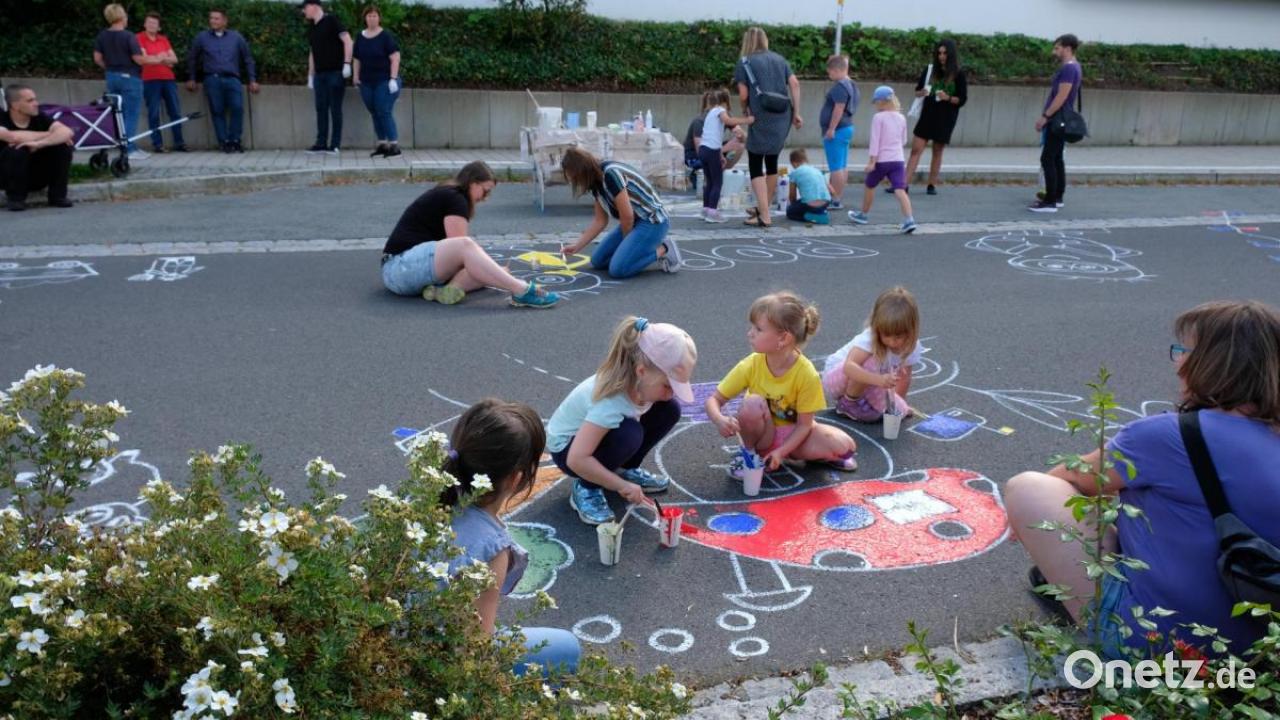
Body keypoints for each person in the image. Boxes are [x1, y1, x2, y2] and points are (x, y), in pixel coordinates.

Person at [1005, 300, 1280, 658]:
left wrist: (1028, 527)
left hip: (1161, 644)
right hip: (1263, 647)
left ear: (1208, 364)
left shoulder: (1171, 436)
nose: (1177, 362)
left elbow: (1074, 478)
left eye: (1183, 351)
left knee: (1028, 489)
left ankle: (1087, 602)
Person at [441, 398, 582, 676]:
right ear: (516, 479)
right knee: (567, 649)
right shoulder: (492, 548)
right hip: (433, 662)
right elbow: (474, 648)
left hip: (388, 645)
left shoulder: (424, 499)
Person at [547, 317, 696, 525]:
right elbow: (576, 459)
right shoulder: (610, 402)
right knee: (629, 434)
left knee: (669, 409)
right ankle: (587, 486)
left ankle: (624, 469)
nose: (671, 393)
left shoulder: (642, 383)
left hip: (590, 441)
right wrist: (621, 486)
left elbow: (661, 403)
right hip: (567, 449)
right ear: (641, 371)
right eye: (667, 386)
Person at [705, 291, 859, 482]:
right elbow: (714, 399)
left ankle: (804, 456)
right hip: (764, 436)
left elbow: (804, 425)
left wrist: (782, 451)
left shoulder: (806, 374)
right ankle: (751, 456)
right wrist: (719, 419)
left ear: (783, 339)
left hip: (794, 436)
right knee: (752, 403)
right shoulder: (751, 364)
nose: (750, 333)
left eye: (758, 329)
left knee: (845, 446)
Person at [382, 161, 559, 308]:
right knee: (468, 248)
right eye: (485, 190)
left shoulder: (448, 193)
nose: (485, 197)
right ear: (473, 183)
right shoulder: (456, 198)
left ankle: (444, 291)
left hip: (406, 273)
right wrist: (493, 271)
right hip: (399, 268)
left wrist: (492, 271)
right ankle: (521, 289)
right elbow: (459, 246)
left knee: (487, 269)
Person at [559, 146, 680, 278]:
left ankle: (664, 249)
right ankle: (634, 252)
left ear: (581, 171)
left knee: (618, 270)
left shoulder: (610, 175)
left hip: (653, 222)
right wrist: (577, 246)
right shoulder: (595, 182)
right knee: (598, 261)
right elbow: (600, 221)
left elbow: (627, 217)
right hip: (635, 222)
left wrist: (625, 244)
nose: (574, 182)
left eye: (574, 178)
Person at [733, 26, 802, 228]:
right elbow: (795, 84)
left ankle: (764, 215)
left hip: (760, 116)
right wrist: (796, 112)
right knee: (772, 161)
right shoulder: (780, 59)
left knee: (755, 162)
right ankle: (764, 208)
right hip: (783, 116)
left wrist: (745, 110)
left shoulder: (744, 62)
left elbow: (744, 95)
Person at [822, 286, 923, 422]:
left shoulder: (912, 346)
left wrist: (897, 405)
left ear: (911, 330)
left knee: (900, 411)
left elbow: (904, 377)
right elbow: (849, 367)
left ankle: (860, 400)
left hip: (870, 381)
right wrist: (879, 380)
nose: (892, 342)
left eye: (898, 336)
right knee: (873, 361)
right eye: (886, 335)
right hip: (836, 379)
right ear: (877, 327)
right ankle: (848, 403)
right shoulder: (870, 338)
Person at [186, 9, 260, 153]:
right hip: (212, 79)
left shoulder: (236, 37)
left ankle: (235, 141)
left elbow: (248, 59)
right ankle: (224, 142)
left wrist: (252, 79)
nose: (213, 21)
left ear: (225, 21)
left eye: (216, 18)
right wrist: (191, 78)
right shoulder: (202, 37)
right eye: (211, 18)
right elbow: (192, 58)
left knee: (237, 108)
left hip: (233, 79)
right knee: (217, 111)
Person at [900, 39, 967, 196]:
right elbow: (917, 91)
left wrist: (947, 98)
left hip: (946, 117)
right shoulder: (930, 70)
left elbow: (962, 99)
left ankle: (931, 184)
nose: (941, 56)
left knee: (937, 150)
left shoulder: (958, 74)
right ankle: (904, 184)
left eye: (945, 53)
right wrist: (922, 92)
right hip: (928, 114)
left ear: (951, 54)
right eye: (939, 53)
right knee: (916, 149)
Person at [848, 86, 917, 234]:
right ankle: (909, 219)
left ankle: (863, 215)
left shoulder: (878, 118)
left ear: (882, 101)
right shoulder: (901, 118)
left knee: (870, 185)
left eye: (876, 102)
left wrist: (872, 162)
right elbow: (904, 140)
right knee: (900, 189)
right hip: (898, 160)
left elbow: (875, 141)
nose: (875, 105)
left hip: (881, 160)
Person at [0, 85, 75, 212]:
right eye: (30, 101)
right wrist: (50, 134)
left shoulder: (40, 117)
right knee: (17, 150)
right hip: (7, 178)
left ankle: (58, 196)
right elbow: (12, 137)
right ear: (15, 105)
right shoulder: (2, 118)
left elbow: (67, 132)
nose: (36, 104)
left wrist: (40, 144)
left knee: (63, 146)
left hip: (37, 175)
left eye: (35, 99)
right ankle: (16, 199)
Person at [1030, 33, 1082, 213]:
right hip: (1061, 118)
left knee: (1048, 158)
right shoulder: (1075, 66)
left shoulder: (1069, 68)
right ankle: (1058, 196)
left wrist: (1045, 116)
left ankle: (1050, 201)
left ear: (1068, 48)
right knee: (1057, 157)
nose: (1054, 51)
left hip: (1057, 118)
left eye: (1057, 48)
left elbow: (1061, 96)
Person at [93, 3, 151, 159]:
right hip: (130, 78)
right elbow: (138, 59)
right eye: (125, 14)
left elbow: (97, 58)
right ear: (121, 16)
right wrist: (154, 58)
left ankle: (125, 146)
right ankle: (129, 149)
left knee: (118, 113)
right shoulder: (128, 36)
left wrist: (110, 68)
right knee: (131, 114)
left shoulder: (102, 36)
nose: (127, 17)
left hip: (111, 77)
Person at [302, 0, 353, 155]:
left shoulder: (331, 20)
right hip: (320, 75)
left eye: (305, 7)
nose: (304, 11)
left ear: (314, 6)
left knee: (335, 108)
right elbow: (312, 52)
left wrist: (347, 63)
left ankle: (335, 145)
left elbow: (348, 40)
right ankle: (321, 143)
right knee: (321, 108)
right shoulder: (312, 28)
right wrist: (310, 75)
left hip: (335, 73)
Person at [696, 89, 753, 223]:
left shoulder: (710, 113)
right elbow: (728, 120)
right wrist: (747, 120)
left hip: (704, 150)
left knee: (709, 181)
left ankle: (705, 210)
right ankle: (712, 212)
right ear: (725, 102)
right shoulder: (720, 110)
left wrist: (720, 154)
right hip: (711, 151)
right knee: (717, 182)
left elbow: (711, 137)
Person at [352, 4, 401, 158]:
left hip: (384, 80)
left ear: (379, 18)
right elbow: (357, 58)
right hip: (366, 81)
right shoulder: (360, 37)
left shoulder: (385, 36)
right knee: (374, 111)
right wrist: (355, 76)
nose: (372, 18)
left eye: (374, 16)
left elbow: (395, 57)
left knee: (383, 110)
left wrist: (393, 79)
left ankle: (394, 145)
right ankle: (382, 144)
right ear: (365, 18)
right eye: (369, 16)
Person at [137, 12, 186, 154]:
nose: (151, 25)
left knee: (175, 112)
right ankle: (157, 144)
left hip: (168, 79)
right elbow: (144, 58)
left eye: (154, 23)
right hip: (150, 80)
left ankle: (179, 143)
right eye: (149, 22)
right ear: (144, 24)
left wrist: (157, 59)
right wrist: (163, 58)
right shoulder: (139, 38)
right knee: (153, 113)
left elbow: (175, 59)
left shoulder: (163, 39)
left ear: (159, 27)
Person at [681, 91, 745, 192]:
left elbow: (744, 137)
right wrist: (723, 149)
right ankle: (702, 176)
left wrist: (740, 134)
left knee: (739, 145)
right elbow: (700, 151)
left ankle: (720, 174)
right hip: (696, 157)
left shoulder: (725, 117)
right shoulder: (700, 121)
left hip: (713, 151)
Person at [820, 54, 859, 208]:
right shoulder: (851, 84)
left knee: (835, 167)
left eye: (829, 71)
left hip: (838, 130)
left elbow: (839, 108)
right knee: (842, 165)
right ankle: (837, 196)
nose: (829, 74)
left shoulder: (840, 87)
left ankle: (835, 199)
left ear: (836, 70)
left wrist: (831, 129)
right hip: (846, 127)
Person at [784, 148, 832, 225]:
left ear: (794, 163)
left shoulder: (794, 173)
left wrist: (793, 205)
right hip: (826, 202)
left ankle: (811, 217)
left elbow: (792, 195)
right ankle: (821, 212)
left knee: (790, 212)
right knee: (807, 202)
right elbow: (831, 190)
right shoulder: (817, 170)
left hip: (810, 204)